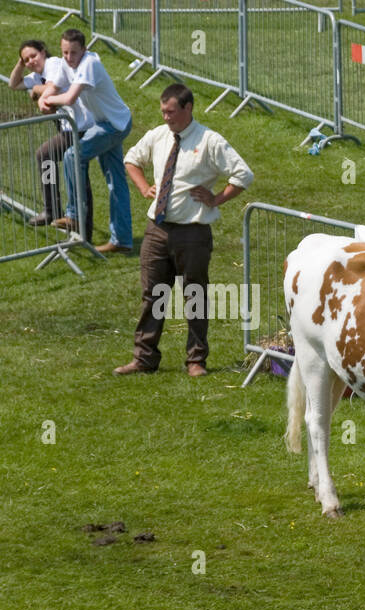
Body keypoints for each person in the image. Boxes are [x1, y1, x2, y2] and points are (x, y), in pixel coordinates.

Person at [114, 83, 253, 377]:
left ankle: (196, 360)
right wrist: (143, 187)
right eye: (163, 111)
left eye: (171, 111)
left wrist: (217, 199)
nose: (166, 117)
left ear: (188, 108)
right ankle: (144, 358)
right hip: (157, 229)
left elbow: (243, 174)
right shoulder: (158, 135)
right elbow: (131, 159)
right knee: (152, 295)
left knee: (195, 296)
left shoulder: (209, 140)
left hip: (193, 232)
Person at [37, 29, 133, 254]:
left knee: (73, 155)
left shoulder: (90, 63)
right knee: (115, 181)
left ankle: (74, 215)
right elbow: (55, 84)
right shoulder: (65, 63)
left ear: (85, 50)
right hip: (104, 122)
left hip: (114, 124)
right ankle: (122, 240)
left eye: (74, 53)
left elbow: (70, 97)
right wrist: (44, 96)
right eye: (65, 52)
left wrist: (48, 99)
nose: (69, 58)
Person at [8, 40, 78, 229]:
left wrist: (35, 90)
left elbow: (50, 88)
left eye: (33, 56)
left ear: (43, 52)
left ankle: (54, 210)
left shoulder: (54, 64)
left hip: (78, 125)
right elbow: (13, 84)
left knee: (45, 155)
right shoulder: (35, 75)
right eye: (26, 59)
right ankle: (56, 210)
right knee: (48, 156)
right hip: (67, 127)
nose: (31, 61)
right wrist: (20, 65)